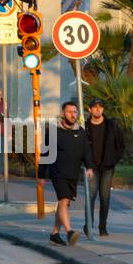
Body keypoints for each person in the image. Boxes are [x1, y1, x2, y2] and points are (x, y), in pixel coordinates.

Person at [38, 100, 90, 246]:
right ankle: (69, 232)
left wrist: (90, 167)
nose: (73, 115)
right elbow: (45, 153)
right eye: (69, 112)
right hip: (58, 172)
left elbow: (86, 151)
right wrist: (41, 175)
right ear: (62, 113)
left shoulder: (80, 131)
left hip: (73, 173)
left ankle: (55, 233)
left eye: (75, 112)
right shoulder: (54, 131)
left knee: (65, 204)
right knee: (63, 201)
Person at [83, 97, 126, 237]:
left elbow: (121, 145)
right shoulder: (85, 126)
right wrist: (84, 162)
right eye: (94, 107)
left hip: (107, 166)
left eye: (100, 107)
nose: (98, 109)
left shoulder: (111, 125)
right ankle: (88, 225)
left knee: (105, 196)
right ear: (90, 109)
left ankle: (103, 226)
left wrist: (113, 160)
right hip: (91, 166)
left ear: (103, 109)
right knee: (91, 195)